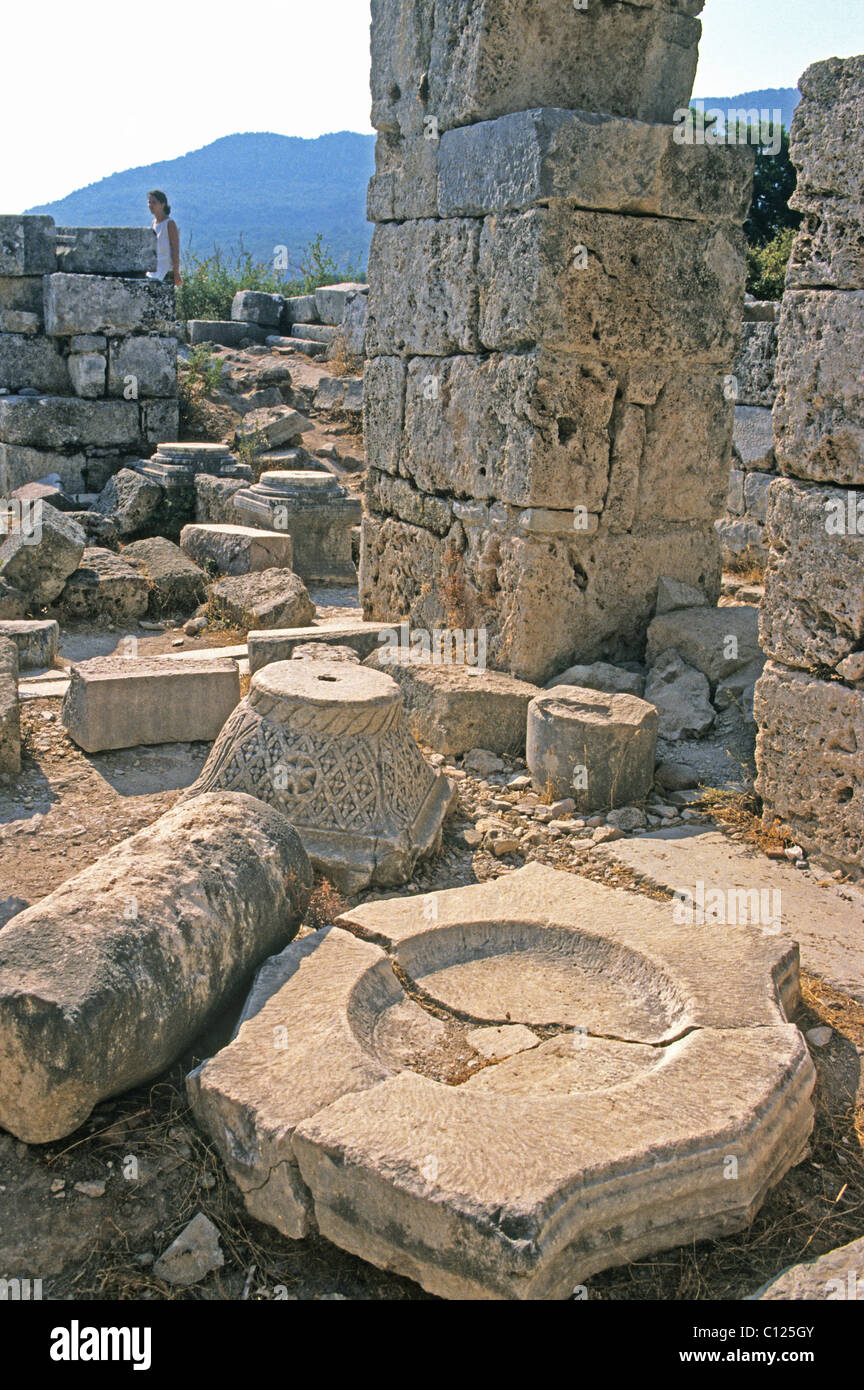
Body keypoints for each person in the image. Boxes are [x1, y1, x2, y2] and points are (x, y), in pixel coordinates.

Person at [146, 190, 182, 287]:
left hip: (166, 270)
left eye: (154, 202)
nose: (150, 205)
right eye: (149, 202)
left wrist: (176, 272)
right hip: (153, 271)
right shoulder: (153, 223)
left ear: (162, 204)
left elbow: (175, 249)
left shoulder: (169, 223)